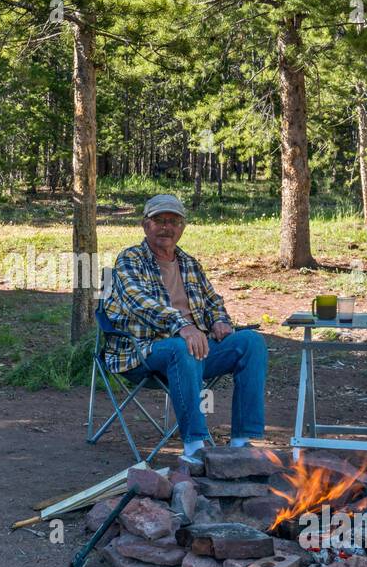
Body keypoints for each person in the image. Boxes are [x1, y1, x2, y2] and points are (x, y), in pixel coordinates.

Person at [101, 194, 267, 465]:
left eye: (174, 221)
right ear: (145, 225)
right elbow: (140, 303)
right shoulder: (130, 259)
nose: (167, 227)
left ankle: (242, 442)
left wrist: (219, 321)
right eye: (159, 220)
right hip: (141, 352)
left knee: (251, 343)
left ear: (183, 228)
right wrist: (183, 326)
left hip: (194, 348)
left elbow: (213, 301)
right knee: (183, 346)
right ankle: (194, 447)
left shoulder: (189, 263)